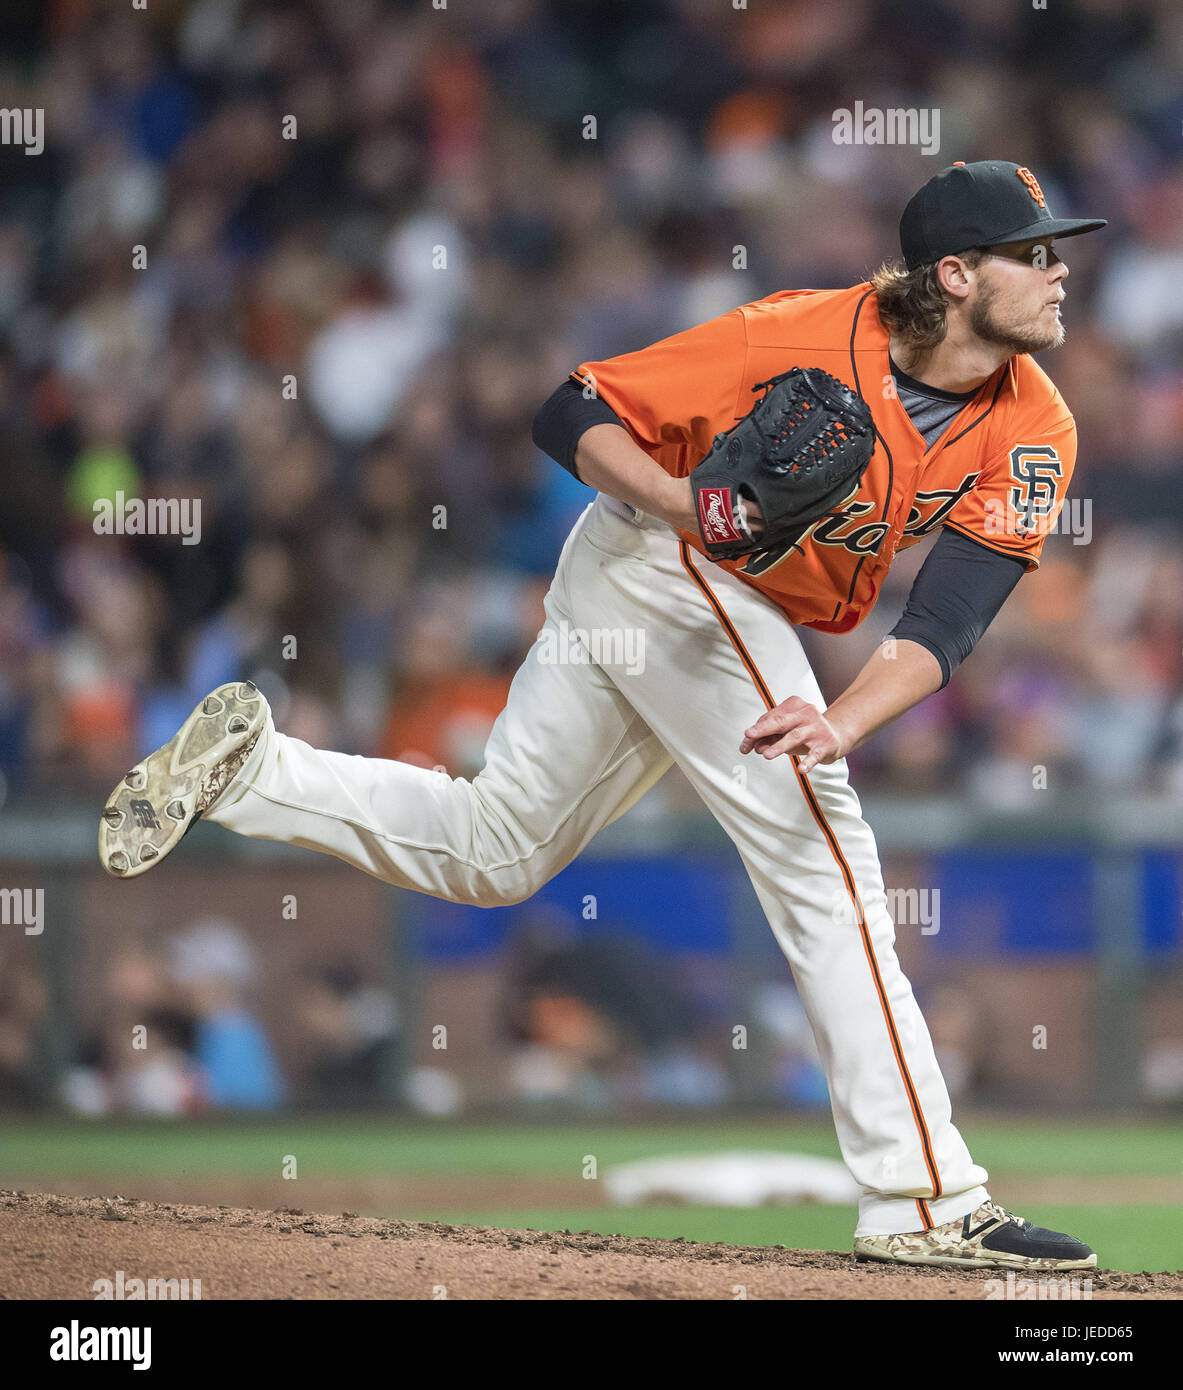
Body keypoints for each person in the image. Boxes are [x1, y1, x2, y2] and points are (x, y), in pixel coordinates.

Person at [99, 161, 1103, 1270]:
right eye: (1035, 252)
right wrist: (686, 501)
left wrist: (848, 721)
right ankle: (925, 1199)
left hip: (688, 591)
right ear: (955, 275)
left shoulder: (1034, 424)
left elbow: (946, 623)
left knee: (497, 849)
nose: (1060, 271)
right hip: (669, 560)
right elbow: (566, 407)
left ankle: (250, 774)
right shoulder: (802, 335)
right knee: (826, 859)